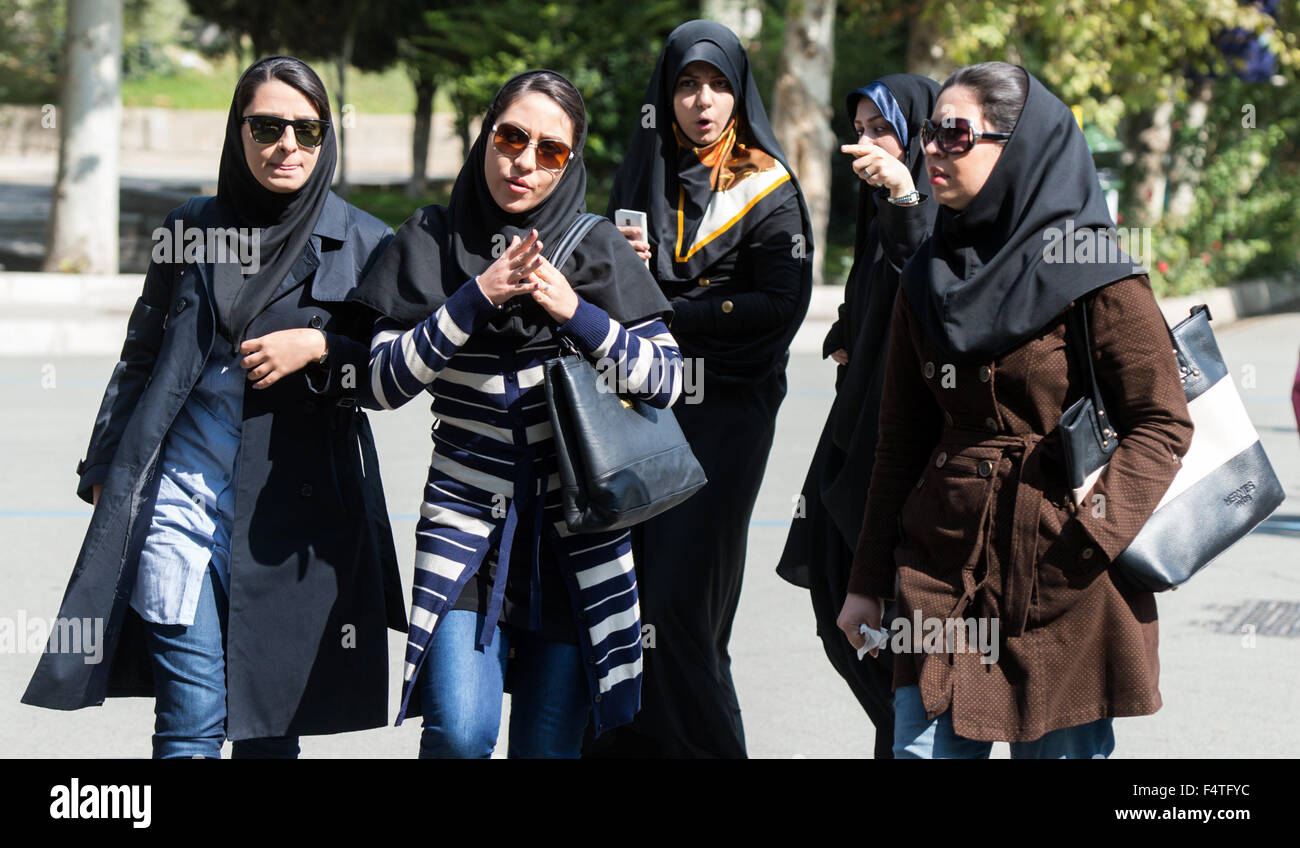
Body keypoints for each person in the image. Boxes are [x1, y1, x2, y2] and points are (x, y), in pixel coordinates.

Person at [22, 55, 406, 758]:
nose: (286, 145)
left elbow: (389, 379)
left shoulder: (367, 242)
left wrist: (320, 350)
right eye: (266, 126)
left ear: (325, 139)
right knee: (191, 722)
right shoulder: (190, 228)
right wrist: (107, 465)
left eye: (307, 130)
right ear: (238, 133)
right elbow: (140, 355)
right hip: (181, 507)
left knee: (268, 735)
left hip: (292, 530)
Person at [836, 62, 1195, 759]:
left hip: (1065, 583)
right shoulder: (928, 276)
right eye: (930, 134)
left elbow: (1162, 421)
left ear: (1020, 146)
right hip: (942, 574)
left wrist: (1087, 541)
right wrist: (866, 583)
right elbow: (901, 441)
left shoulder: (1096, 271)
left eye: (956, 134)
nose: (932, 149)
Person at [348, 69, 682, 759]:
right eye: (511, 137)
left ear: (571, 162)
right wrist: (472, 301)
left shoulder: (594, 247)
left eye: (550, 150)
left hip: (577, 534)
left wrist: (577, 313)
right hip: (464, 522)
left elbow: (669, 379)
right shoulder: (431, 238)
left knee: (546, 747)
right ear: (486, 136)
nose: (525, 162)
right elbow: (379, 384)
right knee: (461, 733)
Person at [587, 19, 813, 758]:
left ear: (740, 92)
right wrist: (617, 264)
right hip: (637, 408)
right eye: (686, 83)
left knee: (683, 610)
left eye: (717, 84)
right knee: (626, 604)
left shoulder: (768, 186)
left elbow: (781, 307)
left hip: (727, 412)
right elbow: (599, 288)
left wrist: (669, 306)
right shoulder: (645, 165)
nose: (702, 100)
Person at [775, 73, 939, 760]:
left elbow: (926, 280)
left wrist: (903, 191)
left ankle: (914, 740)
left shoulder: (930, 211)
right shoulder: (879, 213)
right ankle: (905, 735)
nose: (865, 144)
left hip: (896, 452)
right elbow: (872, 297)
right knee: (833, 608)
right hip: (851, 436)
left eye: (883, 129)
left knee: (882, 632)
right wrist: (845, 332)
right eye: (861, 129)